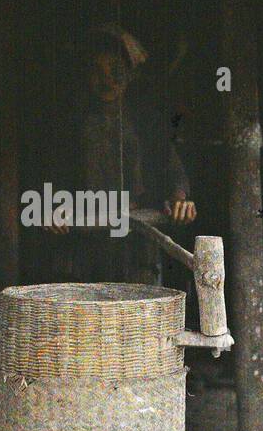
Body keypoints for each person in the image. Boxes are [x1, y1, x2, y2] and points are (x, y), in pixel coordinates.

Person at [48, 26, 196, 283]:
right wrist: (51, 209)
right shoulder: (70, 128)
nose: (107, 80)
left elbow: (172, 171)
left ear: (130, 74)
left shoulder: (147, 125)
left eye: (116, 70)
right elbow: (52, 182)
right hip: (84, 247)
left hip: (139, 246)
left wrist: (179, 198)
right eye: (96, 71)